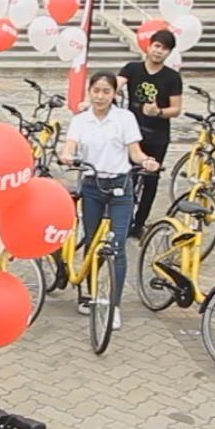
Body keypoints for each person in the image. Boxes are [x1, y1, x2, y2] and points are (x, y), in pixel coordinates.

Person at [57, 71, 156, 329]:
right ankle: (90, 294)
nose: (100, 96)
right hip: (92, 186)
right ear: (89, 91)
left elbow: (134, 152)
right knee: (92, 244)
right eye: (96, 90)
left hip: (121, 186)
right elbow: (70, 146)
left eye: (106, 91)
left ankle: (114, 304)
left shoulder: (124, 118)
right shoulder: (81, 120)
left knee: (117, 247)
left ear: (114, 94)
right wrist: (67, 155)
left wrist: (145, 160)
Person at [120, 28, 184, 237]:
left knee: (150, 180)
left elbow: (176, 109)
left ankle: (139, 225)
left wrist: (159, 111)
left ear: (169, 53)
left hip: (157, 136)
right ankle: (124, 219)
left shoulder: (172, 77)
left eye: (165, 49)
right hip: (132, 134)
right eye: (157, 46)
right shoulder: (132, 68)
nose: (159, 51)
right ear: (149, 46)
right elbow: (115, 84)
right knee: (128, 177)